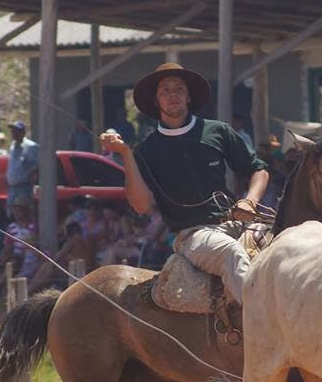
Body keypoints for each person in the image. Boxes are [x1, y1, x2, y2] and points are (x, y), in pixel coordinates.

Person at [99, 62, 269, 305]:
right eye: (165, 91)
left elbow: (258, 170)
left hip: (237, 223)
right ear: (156, 101)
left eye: (179, 88)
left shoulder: (218, 131)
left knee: (288, 247)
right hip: (193, 236)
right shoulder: (147, 150)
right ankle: (263, 328)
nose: (173, 94)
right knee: (232, 254)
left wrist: (249, 201)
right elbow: (141, 205)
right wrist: (125, 153)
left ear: (188, 96)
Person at [5, 120, 39, 208]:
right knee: (11, 213)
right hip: (12, 187)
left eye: (16, 131)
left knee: (23, 211)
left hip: (24, 186)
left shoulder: (31, 146)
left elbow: (36, 166)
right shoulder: (12, 146)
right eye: (12, 131)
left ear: (23, 132)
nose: (14, 133)